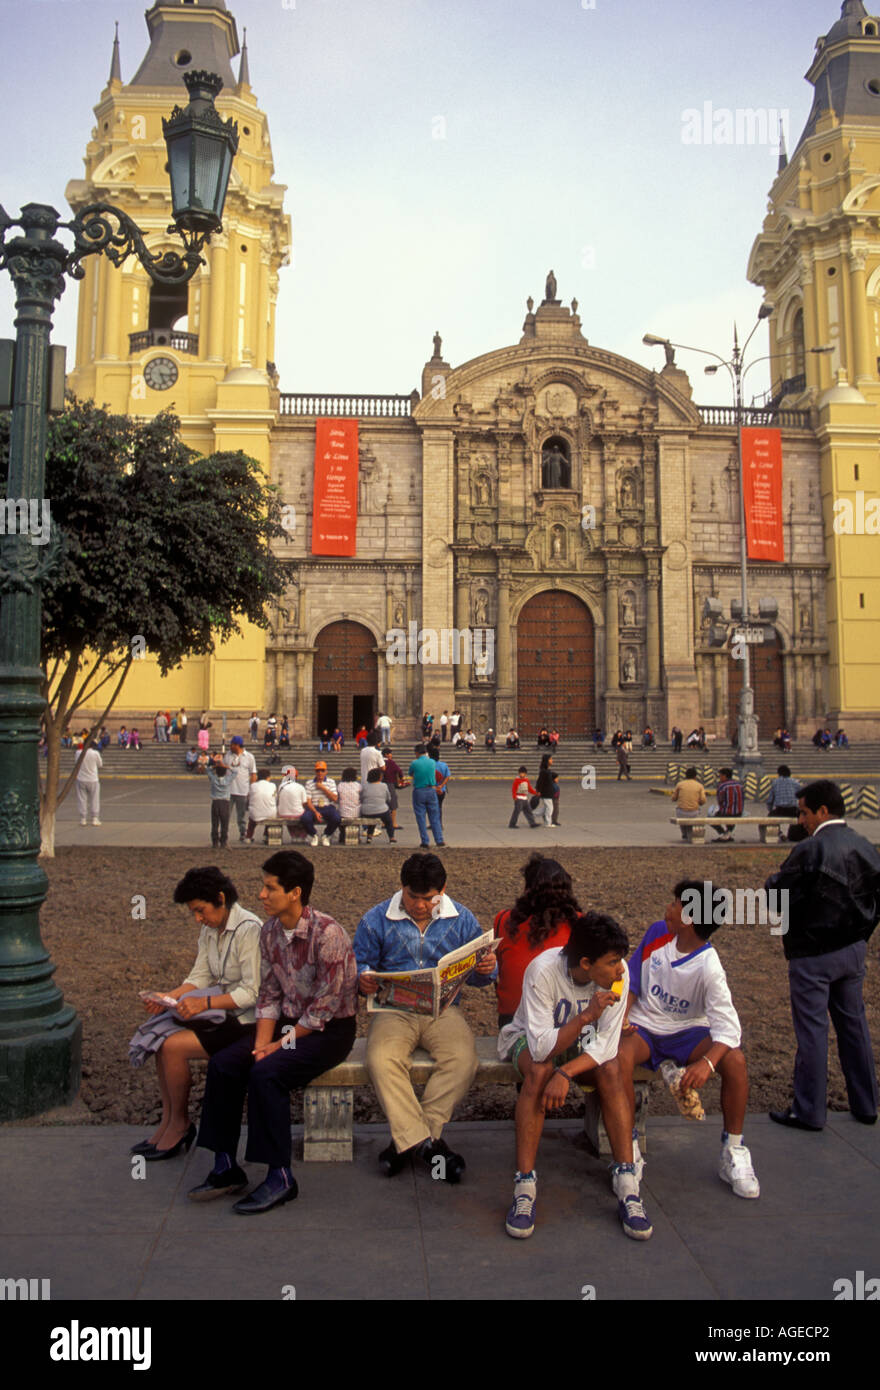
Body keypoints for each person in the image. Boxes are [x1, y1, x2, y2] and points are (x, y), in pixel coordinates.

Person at [187, 851, 358, 1213]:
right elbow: (268, 993)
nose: (261, 895)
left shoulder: (329, 934)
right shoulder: (269, 932)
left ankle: (280, 1176)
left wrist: (277, 1047)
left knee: (267, 1073)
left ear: (295, 892)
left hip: (328, 1032)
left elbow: (322, 1010)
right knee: (225, 1064)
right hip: (285, 1023)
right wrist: (262, 1042)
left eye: (269, 888)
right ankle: (225, 1165)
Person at [499, 911, 652, 1241]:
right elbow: (541, 1049)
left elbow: (607, 1048)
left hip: (581, 1045)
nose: (620, 968)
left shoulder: (617, 978)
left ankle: (628, 1183)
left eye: (619, 960)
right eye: (611, 962)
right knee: (540, 1073)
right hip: (529, 1038)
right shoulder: (543, 971)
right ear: (586, 963)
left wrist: (566, 1073)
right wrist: (586, 1015)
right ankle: (524, 1186)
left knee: (611, 1070)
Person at [354, 853, 496, 1179]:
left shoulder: (461, 919)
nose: (420, 905)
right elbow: (360, 964)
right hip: (394, 1011)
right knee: (380, 1059)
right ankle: (429, 1146)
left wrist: (487, 969)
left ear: (442, 890)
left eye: (428, 899)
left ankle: (410, 1140)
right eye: (412, 897)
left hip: (443, 1010)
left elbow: (477, 977)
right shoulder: (376, 919)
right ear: (401, 888)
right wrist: (364, 978)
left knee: (463, 1061)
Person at [618, 879, 760, 1200]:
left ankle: (733, 1151)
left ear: (691, 918)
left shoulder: (710, 967)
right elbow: (633, 981)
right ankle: (629, 1147)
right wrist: (623, 1017)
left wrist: (707, 1063)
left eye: (676, 904)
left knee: (735, 1060)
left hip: (688, 1033)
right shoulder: (657, 933)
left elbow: (729, 1028)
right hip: (646, 1028)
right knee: (618, 1058)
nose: (668, 907)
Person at [765, 780, 880, 1131]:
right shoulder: (866, 846)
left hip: (813, 954)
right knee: (854, 1025)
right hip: (852, 952)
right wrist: (861, 936)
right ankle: (867, 1103)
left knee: (813, 1031)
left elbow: (778, 896)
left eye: (804, 812)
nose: (801, 820)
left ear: (822, 811)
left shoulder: (810, 850)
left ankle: (809, 1110)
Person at [129, 867, 262, 1161]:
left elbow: (253, 993)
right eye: (194, 912)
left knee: (171, 1046)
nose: (198, 919)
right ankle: (169, 1122)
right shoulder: (210, 929)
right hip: (225, 1015)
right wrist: (168, 998)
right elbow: (200, 975)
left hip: (248, 1022)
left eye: (200, 910)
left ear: (221, 899)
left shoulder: (250, 929)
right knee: (162, 1040)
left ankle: (179, 1124)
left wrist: (206, 1005)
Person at [494, 855, 580, 1026]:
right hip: (563, 1019)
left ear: (527, 890)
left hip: (513, 1020)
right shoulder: (580, 925)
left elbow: (502, 971)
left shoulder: (504, 921)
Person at [409, 743, 446, 848]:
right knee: (434, 816)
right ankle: (439, 840)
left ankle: (425, 841)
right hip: (431, 790)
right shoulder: (432, 762)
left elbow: (411, 774)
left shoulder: (414, 763)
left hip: (419, 790)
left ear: (416, 753)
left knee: (421, 817)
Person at [224, 735, 258, 843]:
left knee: (241, 816)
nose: (230, 746)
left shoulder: (249, 757)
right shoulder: (227, 756)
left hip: (242, 791)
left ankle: (243, 833)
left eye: (232, 744)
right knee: (225, 814)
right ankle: (224, 834)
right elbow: (223, 771)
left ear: (237, 745)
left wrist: (251, 790)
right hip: (228, 791)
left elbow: (253, 774)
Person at [302, 761, 341, 845]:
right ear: (315, 771)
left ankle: (326, 835)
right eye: (318, 770)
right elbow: (308, 801)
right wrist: (315, 812)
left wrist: (323, 788)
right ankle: (314, 835)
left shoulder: (331, 782)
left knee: (337, 818)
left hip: (328, 807)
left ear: (326, 771)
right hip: (314, 807)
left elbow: (335, 798)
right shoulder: (309, 783)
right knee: (305, 818)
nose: (320, 773)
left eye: (322, 770)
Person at [766, 764, 802, 843]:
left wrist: (770, 809)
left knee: (769, 818)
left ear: (779, 774)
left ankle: (780, 834)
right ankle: (793, 835)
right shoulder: (795, 783)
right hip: (793, 810)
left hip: (780, 810)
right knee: (800, 818)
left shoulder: (775, 782)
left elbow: (769, 801)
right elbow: (802, 796)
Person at [361, 766, 396, 842]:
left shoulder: (364, 786)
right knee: (389, 822)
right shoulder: (384, 786)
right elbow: (388, 798)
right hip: (381, 810)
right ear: (379, 777)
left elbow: (361, 798)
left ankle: (369, 836)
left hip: (366, 811)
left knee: (372, 819)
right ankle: (391, 837)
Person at [671, 767, 706, 840]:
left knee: (679, 810)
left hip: (681, 812)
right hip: (694, 813)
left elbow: (673, 798)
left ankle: (684, 833)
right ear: (695, 776)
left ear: (685, 775)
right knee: (696, 811)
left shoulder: (680, 784)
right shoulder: (700, 786)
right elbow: (703, 800)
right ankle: (689, 833)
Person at [711, 767, 744, 842]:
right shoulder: (739, 785)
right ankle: (728, 834)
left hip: (727, 812)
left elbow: (720, 800)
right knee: (732, 815)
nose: (720, 778)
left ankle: (723, 834)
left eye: (720, 776)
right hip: (739, 812)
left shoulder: (722, 786)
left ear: (724, 776)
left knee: (711, 819)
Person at [206, 754, 232, 849]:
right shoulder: (228, 780)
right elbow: (235, 772)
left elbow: (207, 770)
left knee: (215, 823)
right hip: (225, 802)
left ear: (216, 772)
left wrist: (215, 766)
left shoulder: (213, 779)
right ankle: (223, 841)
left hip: (216, 802)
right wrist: (227, 766)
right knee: (224, 823)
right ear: (225, 772)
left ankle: (215, 841)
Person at [277, 765, 309, 841]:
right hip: (296, 814)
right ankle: (302, 835)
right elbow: (305, 803)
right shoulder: (300, 787)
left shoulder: (281, 786)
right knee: (307, 814)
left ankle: (293, 835)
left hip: (282, 813)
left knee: (289, 811)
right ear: (296, 777)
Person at [245, 770, 278, 843]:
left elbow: (249, 797)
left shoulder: (253, 785)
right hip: (270, 813)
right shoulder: (273, 785)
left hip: (255, 813)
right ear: (268, 777)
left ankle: (248, 836)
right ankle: (265, 836)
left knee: (252, 819)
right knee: (270, 816)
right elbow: (275, 798)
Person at [75, 741, 103, 826]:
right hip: (93, 779)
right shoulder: (95, 753)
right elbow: (100, 764)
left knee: (82, 799)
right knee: (94, 799)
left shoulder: (78, 753)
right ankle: (95, 818)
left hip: (81, 778)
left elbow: (76, 763)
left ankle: (83, 818)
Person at [336, 767, 362, 843]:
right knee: (358, 809)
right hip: (356, 813)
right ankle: (356, 835)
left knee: (339, 810)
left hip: (343, 813)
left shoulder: (340, 785)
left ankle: (342, 833)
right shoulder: (358, 786)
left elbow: (337, 799)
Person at [428, 744, 450, 824]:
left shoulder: (429, 765)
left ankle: (433, 823)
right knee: (439, 806)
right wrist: (441, 786)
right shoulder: (443, 765)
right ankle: (439, 823)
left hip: (431, 789)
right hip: (441, 790)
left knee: (431, 807)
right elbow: (447, 776)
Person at [536, 753, 555, 825]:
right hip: (546, 792)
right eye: (550, 759)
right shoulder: (544, 771)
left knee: (546, 808)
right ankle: (548, 823)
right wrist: (538, 790)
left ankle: (531, 815)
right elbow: (540, 781)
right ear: (547, 760)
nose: (552, 760)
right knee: (550, 808)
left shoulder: (546, 770)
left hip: (548, 792)